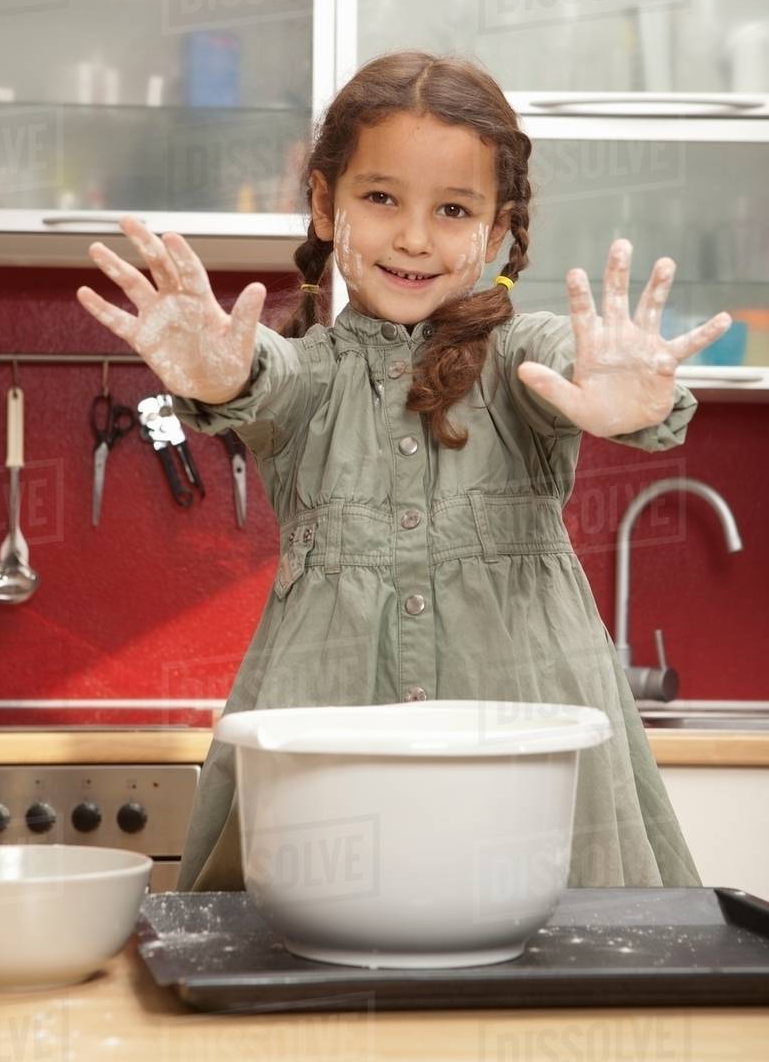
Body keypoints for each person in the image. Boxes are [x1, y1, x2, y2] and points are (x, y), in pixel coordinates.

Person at [76, 50, 732, 893]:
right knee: (313, 979)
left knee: (554, 977)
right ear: (324, 203)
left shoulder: (520, 360)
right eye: (380, 198)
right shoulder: (310, 376)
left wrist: (622, 392)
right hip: (325, 757)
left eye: (453, 209)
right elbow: (259, 374)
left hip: (532, 745)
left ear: (497, 233)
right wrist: (217, 375)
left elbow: (567, 359)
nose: (414, 237)